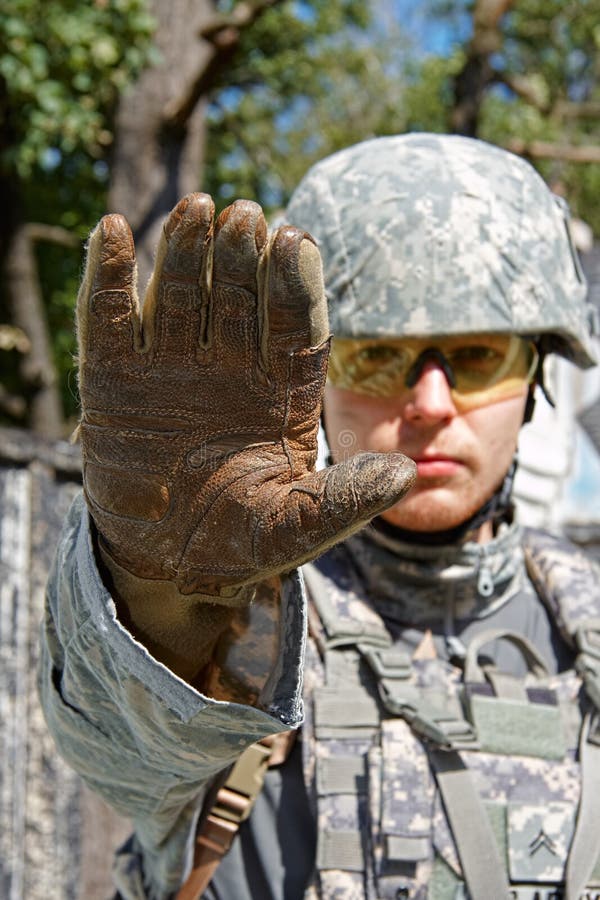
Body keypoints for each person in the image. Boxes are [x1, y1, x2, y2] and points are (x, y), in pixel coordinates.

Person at [39, 133, 600, 900]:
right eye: (375, 357)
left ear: (533, 376)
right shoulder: (251, 624)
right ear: (314, 373)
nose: (431, 405)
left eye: (476, 358)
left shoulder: (587, 626)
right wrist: (162, 599)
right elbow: (120, 748)